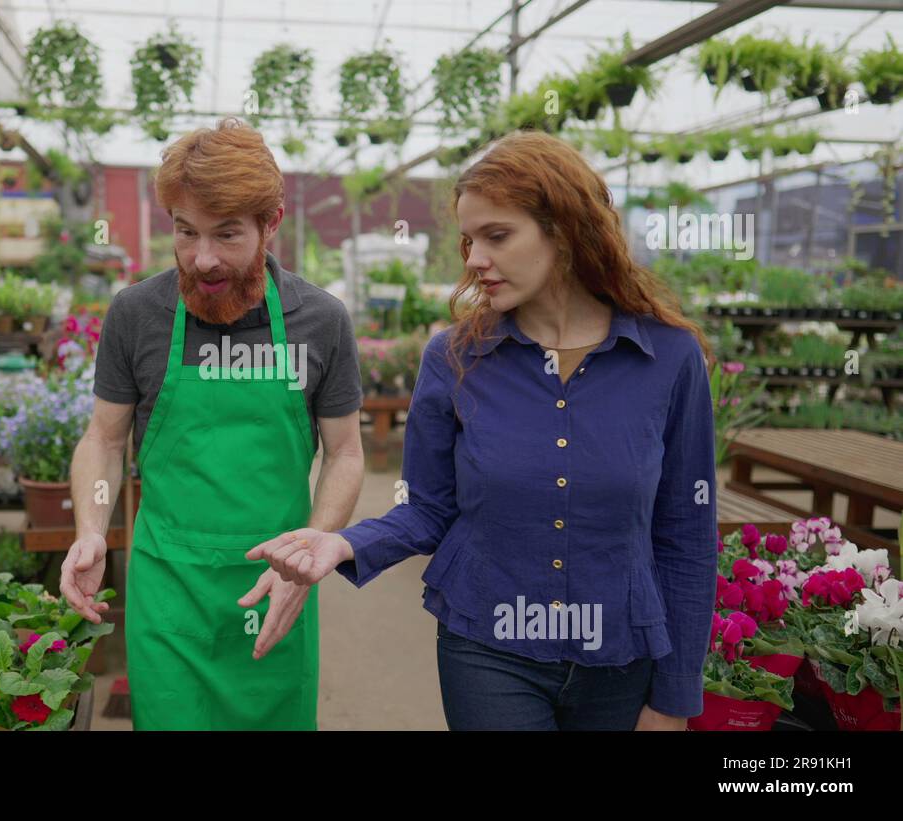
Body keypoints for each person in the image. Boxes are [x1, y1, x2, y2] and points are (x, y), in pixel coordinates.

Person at [248, 130, 718, 731]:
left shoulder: (668, 359)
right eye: (469, 240)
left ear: (568, 230)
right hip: (488, 648)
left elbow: (686, 533)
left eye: (497, 236)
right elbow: (428, 509)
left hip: (622, 656)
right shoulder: (454, 357)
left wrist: (675, 699)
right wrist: (344, 543)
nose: (472, 259)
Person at [60, 118, 365, 730]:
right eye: (185, 232)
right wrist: (91, 528)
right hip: (169, 585)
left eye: (226, 235)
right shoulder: (137, 314)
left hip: (274, 586)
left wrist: (310, 551)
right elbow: (104, 438)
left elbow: (346, 454)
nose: (202, 259)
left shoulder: (321, 321)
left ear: (270, 222)